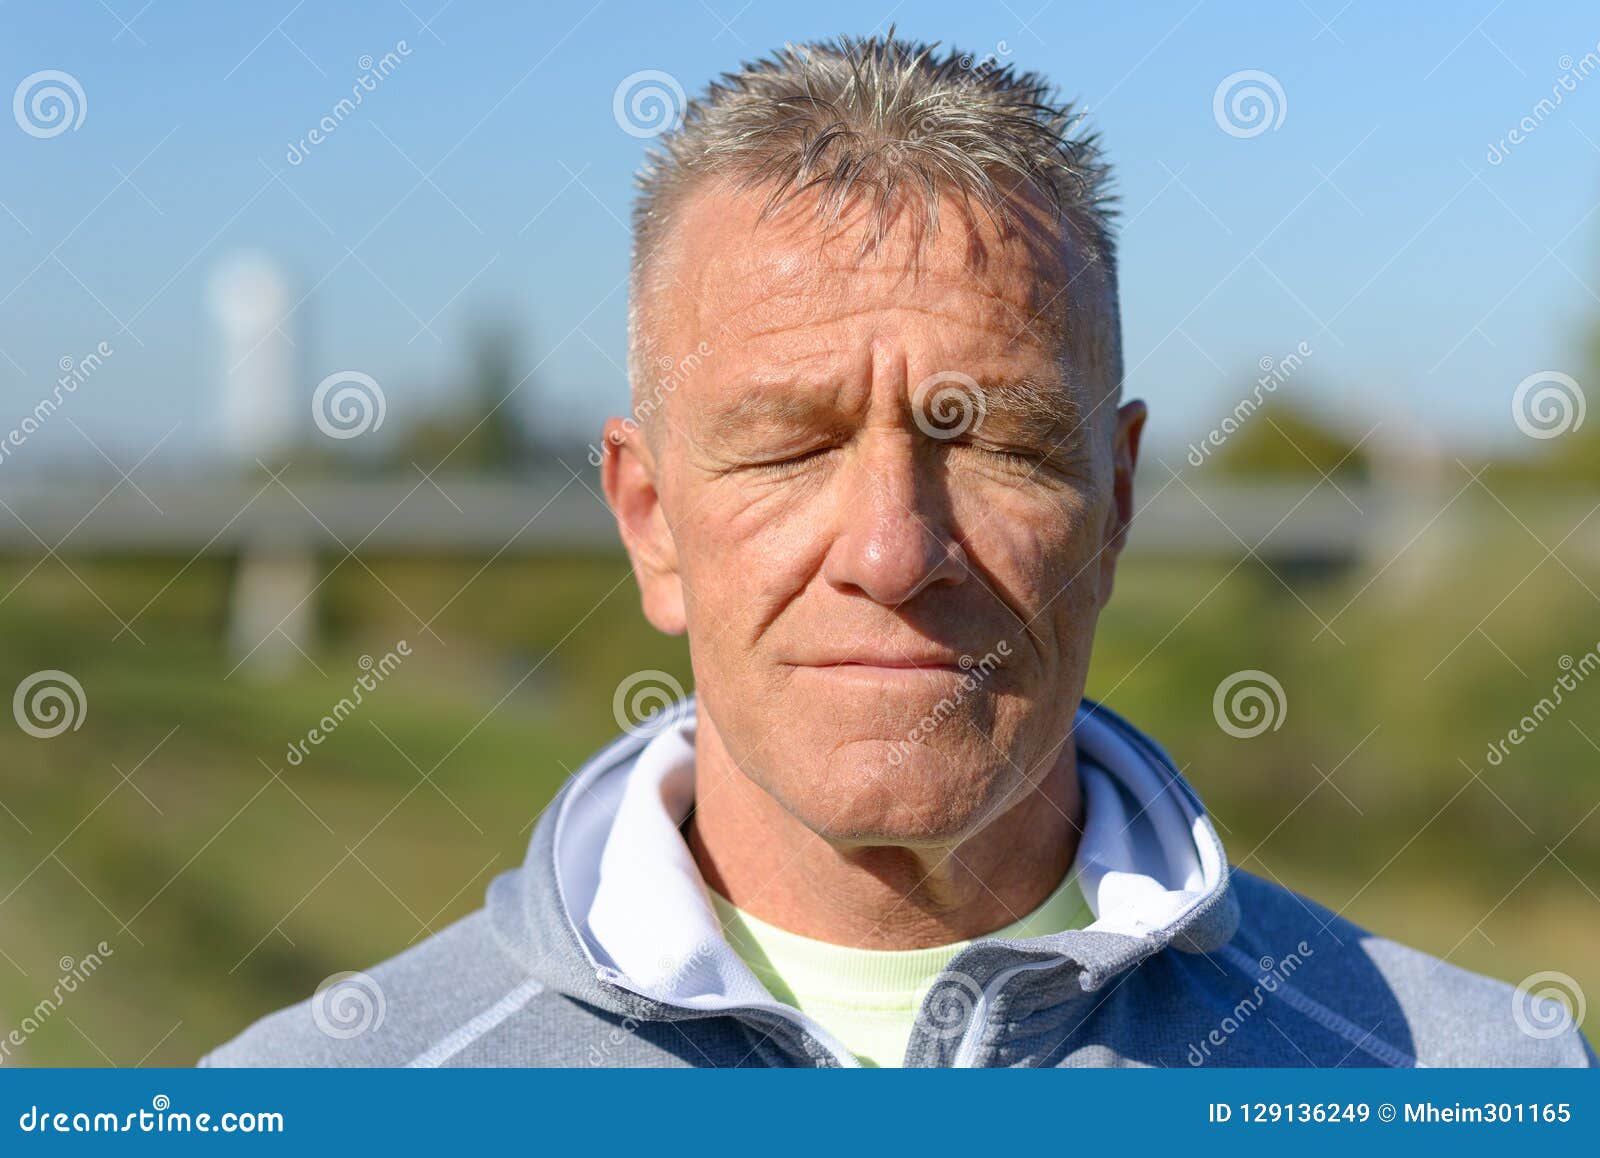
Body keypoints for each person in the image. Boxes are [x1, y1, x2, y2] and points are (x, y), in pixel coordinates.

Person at [204, 33, 1594, 1068]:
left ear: (1113, 505)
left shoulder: (1468, 1085)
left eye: (992, 441)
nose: (892, 545)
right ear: (648, 519)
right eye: (791, 442)